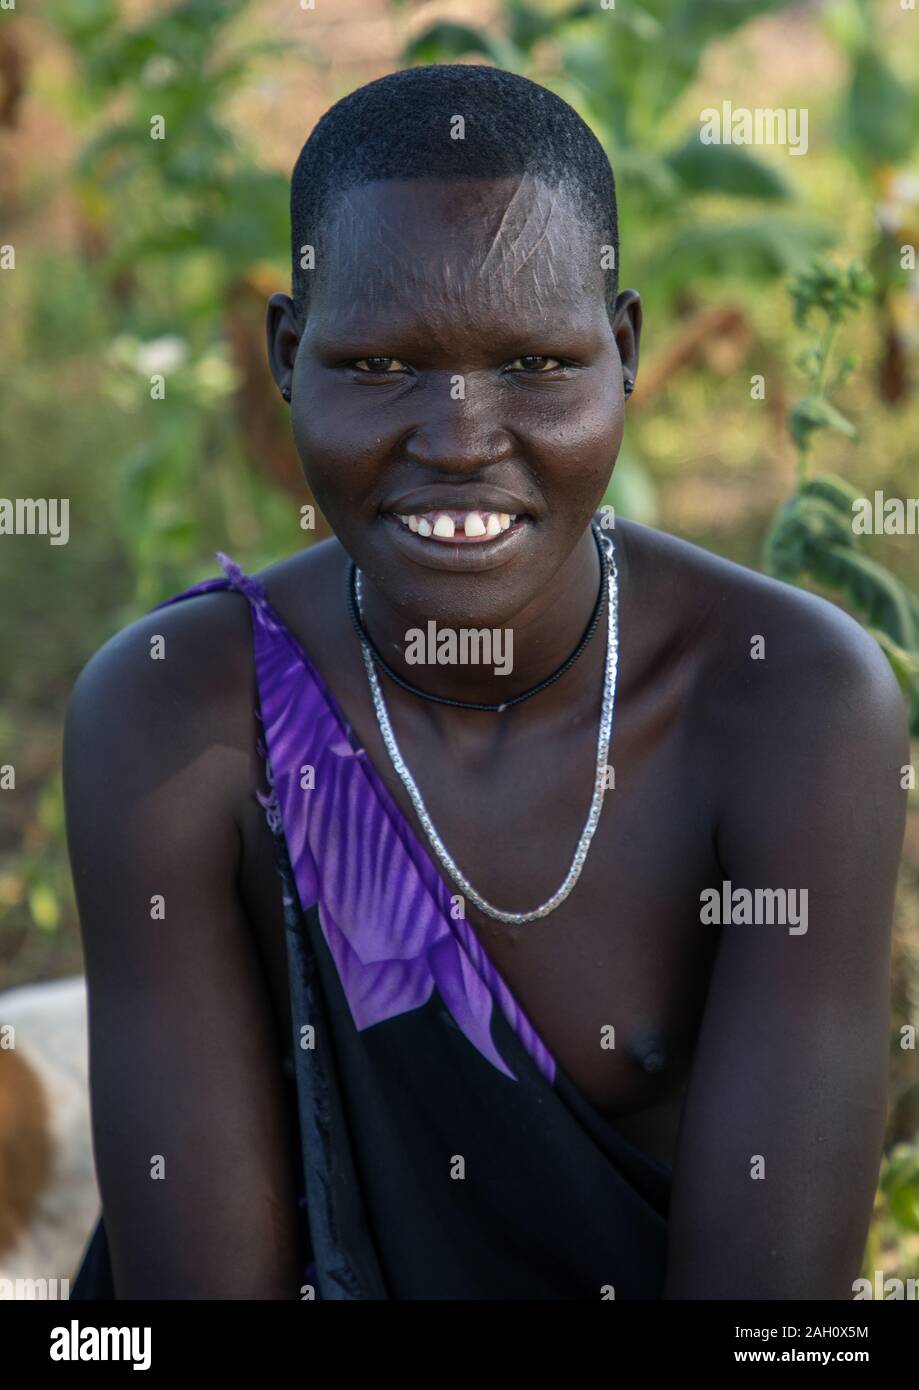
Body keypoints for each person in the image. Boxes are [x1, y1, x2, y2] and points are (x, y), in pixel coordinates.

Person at [64, 64, 908, 1300]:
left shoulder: (784, 702)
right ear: (289, 357)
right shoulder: (174, 711)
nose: (460, 441)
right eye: (380, 367)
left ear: (620, 351)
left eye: (531, 363)